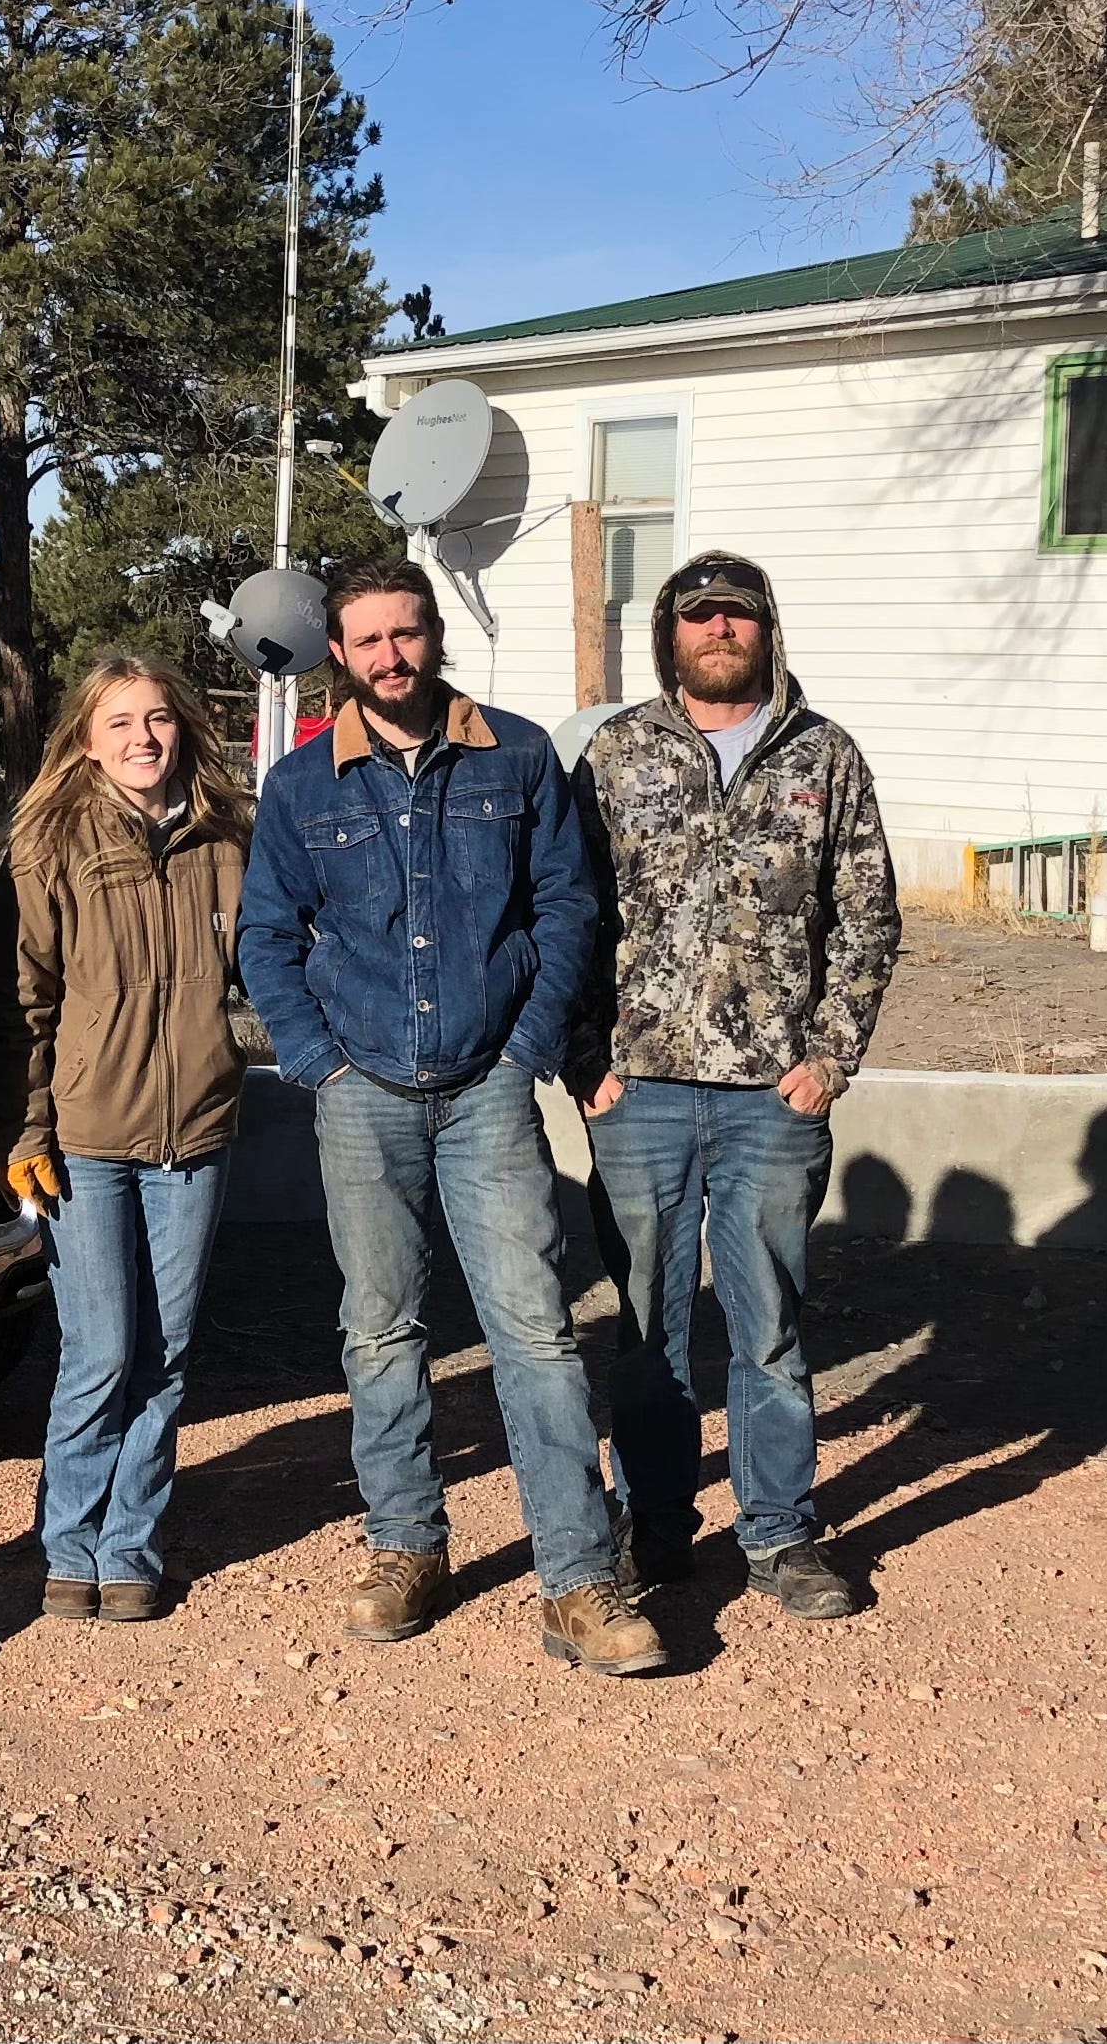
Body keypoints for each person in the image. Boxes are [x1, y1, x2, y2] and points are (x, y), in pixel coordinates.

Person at [239, 554, 665, 1675]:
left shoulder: (518, 755)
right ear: (340, 652)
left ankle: (577, 1573)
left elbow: (570, 906)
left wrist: (529, 1046)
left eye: (408, 633)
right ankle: (407, 1544)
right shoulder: (299, 786)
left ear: (436, 635)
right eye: (368, 639)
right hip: (361, 1088)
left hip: (487, 1087)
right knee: (380, 1330)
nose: (391, 656)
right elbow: (266, 941)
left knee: (533, 1327)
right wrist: (319, 1064)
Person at [568, 551, 899, 1619]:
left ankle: (781, 1533)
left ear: (767, 628)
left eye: (737, 616)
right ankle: (656, 1527)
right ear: (670, 632)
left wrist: (833, 1055)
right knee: (648, 1329)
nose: (719, 630)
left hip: (774, 1095)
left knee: (768, 1327)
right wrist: (584, 1060)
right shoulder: (615, 754)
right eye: (699, 615)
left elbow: (866, 918)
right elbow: (568, 914)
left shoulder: (825, 755)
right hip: (641, 1090)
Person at [0, 654, 254, 1623]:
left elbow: (263, 956)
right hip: (86, 1133)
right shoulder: (51, 835)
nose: (143, 737)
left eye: (158, 719)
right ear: (87, 740)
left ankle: (130, 1541)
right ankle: (69, 1542)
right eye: (120, 722)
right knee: (99, 1347)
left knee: (167, 1351)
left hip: (198, 1133)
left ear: (183, 726)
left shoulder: (226, 833)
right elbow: (22, 996)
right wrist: (24, 1124)